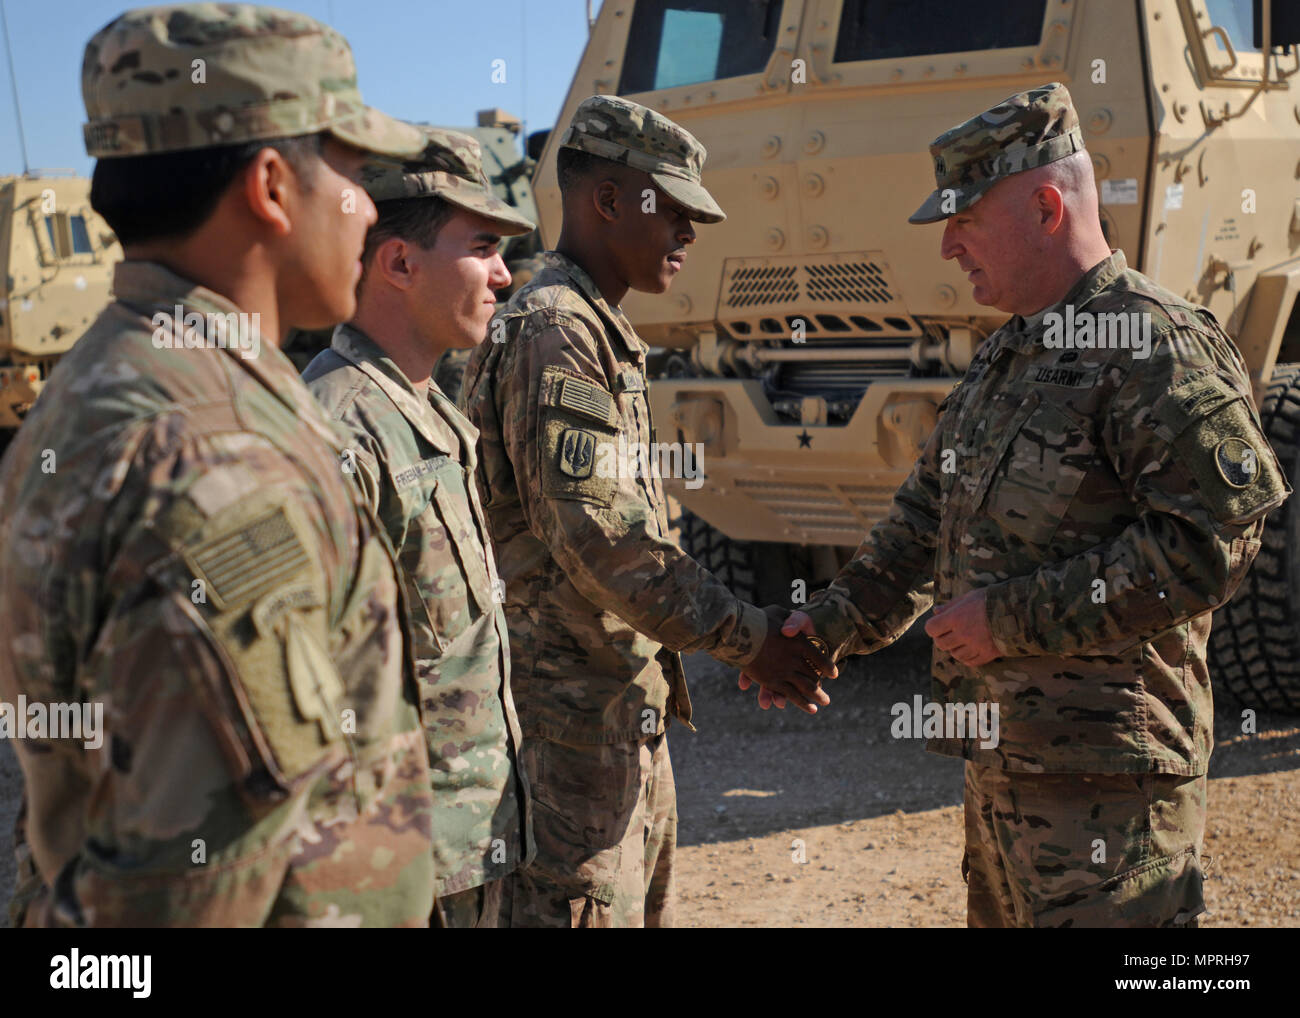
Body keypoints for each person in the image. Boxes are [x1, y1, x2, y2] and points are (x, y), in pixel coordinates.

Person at [765, 82, 1290, 927]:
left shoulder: (1155, 342)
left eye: (964, 221)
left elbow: (1210, 543)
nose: (947, 248)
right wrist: (829, 624)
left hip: (1113, 795)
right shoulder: (1009, 353)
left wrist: (1007, 619)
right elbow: (922, 522)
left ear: (1046, 206)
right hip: (1005, 776)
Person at [0, 3, 436, 927]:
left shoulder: (120, 377)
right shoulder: (214, 461)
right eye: (354, 173)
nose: (366, 208)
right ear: (272, 187)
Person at [460, 94, 837, 928]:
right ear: (605, 201)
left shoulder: (594, 326)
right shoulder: (554, 329)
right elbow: (603, 539)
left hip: (614, 717)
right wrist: (750, 638)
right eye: (672, 210)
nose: (688, 233)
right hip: (566, 735)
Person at [303, 128, 535, 928]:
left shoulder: (428, 413)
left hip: (461, 851)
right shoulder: (340, 430)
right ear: (400, 264)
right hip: (395, 872)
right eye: (483, 248)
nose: (505, 275)